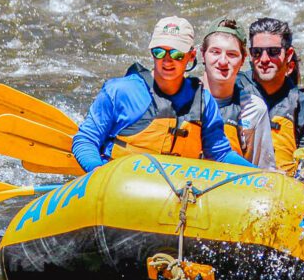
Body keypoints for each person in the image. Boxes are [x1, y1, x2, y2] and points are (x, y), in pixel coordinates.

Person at [70, 16, 256, 172]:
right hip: (117, 188)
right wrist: (97, 171)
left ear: (191, 57)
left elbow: (220, 153)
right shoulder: (120, 92)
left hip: (174, 194)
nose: (167, 61)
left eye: (176, 54)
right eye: (160, 52)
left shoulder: (204, 102)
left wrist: (260, 175)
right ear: (152, 53)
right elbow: (86, 139)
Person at [246, 16, 304, 175]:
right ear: (250, 55)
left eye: (273, 52)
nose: (264, 59)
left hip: (281, 189)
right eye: (257, 52)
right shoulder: (233, 90)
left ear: (288, 53)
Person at [200, 19, 276, 169]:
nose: (222, 61)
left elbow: (264, 170)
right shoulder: (183, 95)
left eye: (232, 54)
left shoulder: (255, 108)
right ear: (202, 54)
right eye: (215, 52)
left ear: (243, 59)